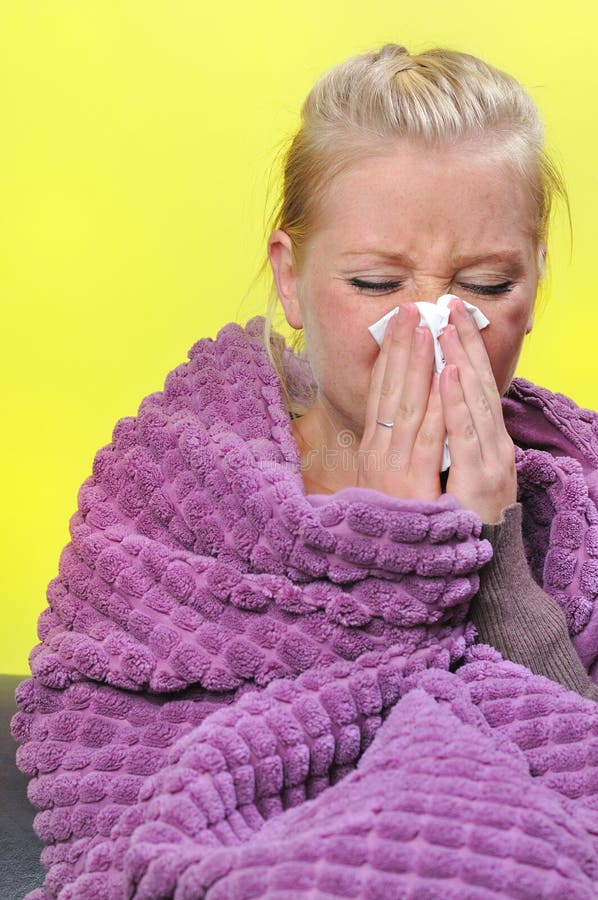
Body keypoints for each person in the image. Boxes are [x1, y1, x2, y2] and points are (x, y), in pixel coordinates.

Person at [11, 43, 598, 900]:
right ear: (290, 279)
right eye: (373, 281)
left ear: (536, 281)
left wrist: (495, 547)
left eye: (484, 282)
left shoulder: (574, 493)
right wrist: (392, 560)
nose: (430, 328)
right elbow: (144, 808)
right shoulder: (179, 496)